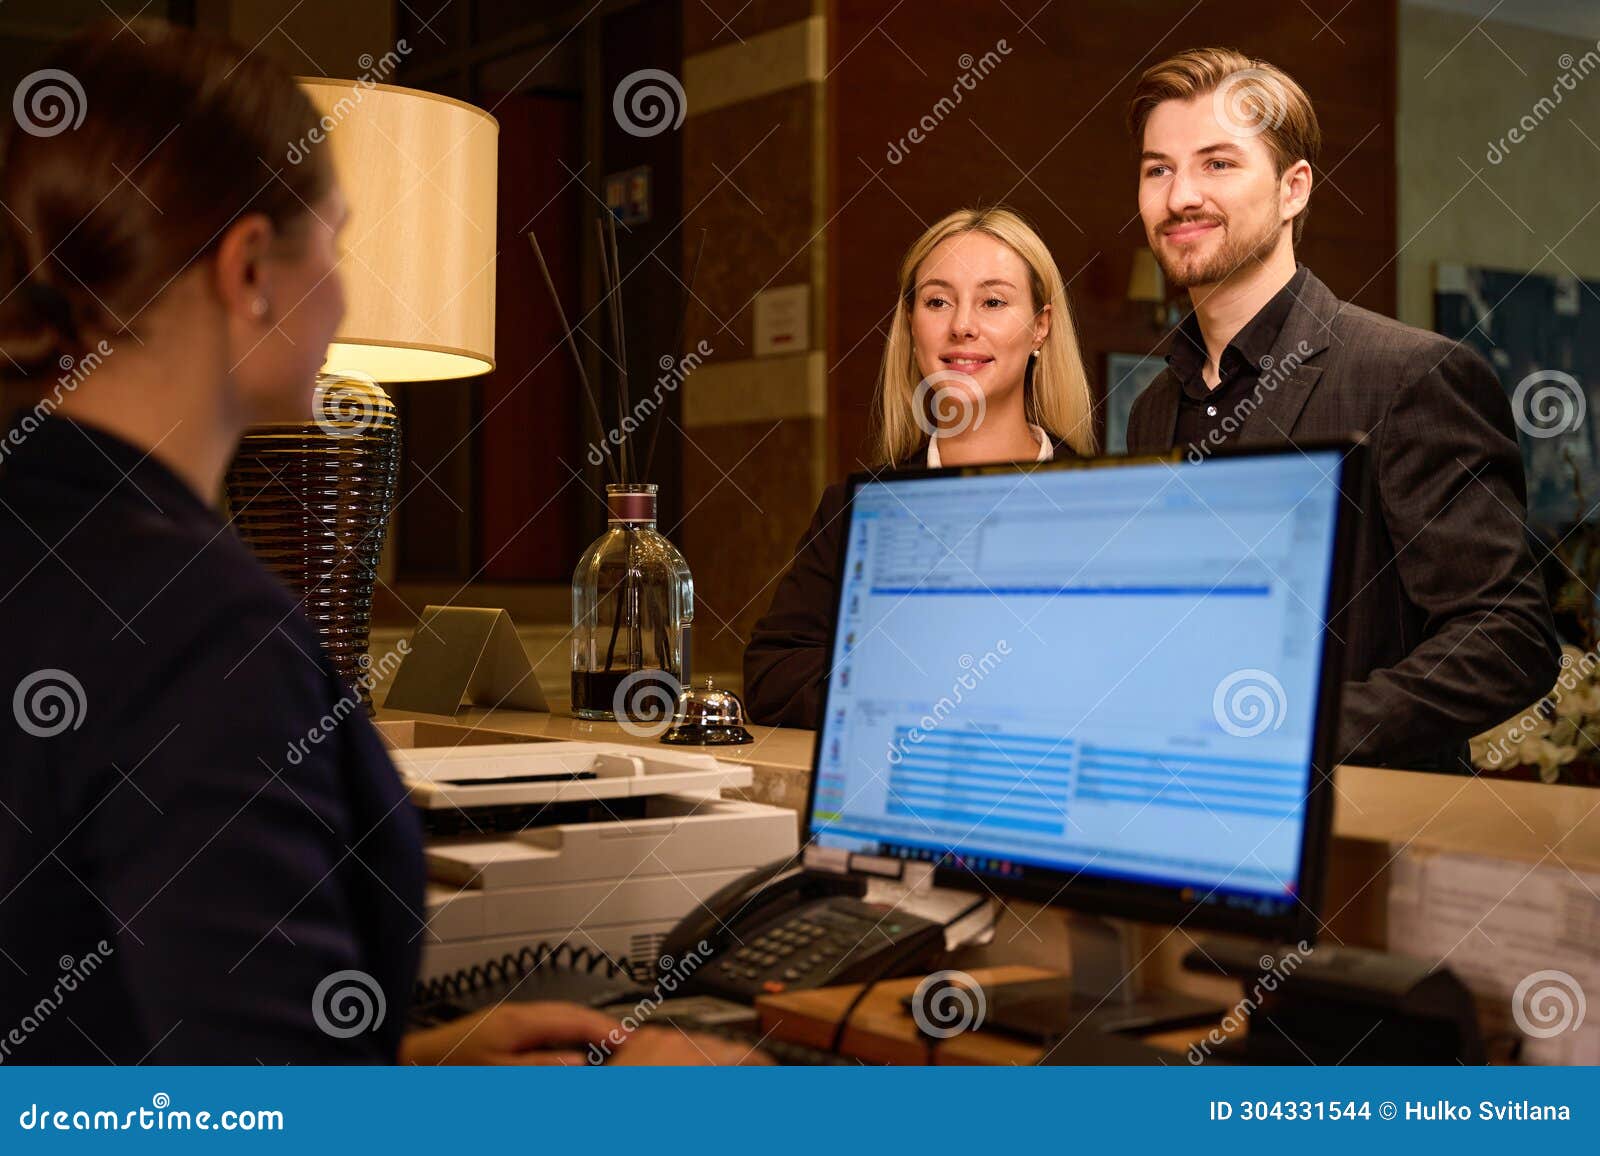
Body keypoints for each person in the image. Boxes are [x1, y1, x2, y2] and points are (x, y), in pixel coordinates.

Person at [0, 21, 753, 1066]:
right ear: (252, 269)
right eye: (338, 246)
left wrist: (415, 1062)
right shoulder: (198, 625)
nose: (344, 293)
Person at [1123, 47, 1560, 769]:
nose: (1180, 197)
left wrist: (1302, 735)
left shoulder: (1409, 376)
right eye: (1157, 169)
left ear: (1293, 189)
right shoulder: (1152, 406)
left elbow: (1509, 637)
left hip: (1353, 846)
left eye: (1219, 163)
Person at [744, 207, 1096, 728]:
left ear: (1040, 326)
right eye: (937, 302)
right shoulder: (855, 509)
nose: (962, 326)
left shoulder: (1106, 501)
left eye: (993, 302)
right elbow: (774, 678)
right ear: (911, 325)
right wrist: (921, 674)